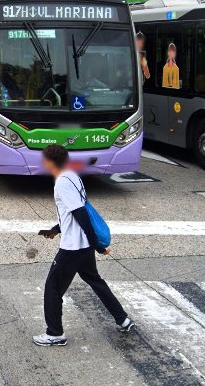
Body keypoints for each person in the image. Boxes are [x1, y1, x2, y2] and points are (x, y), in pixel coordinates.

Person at [33, 144, 134, 346]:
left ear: (50, 162)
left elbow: (81, 214)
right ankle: (123, 319)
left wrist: (97, 245)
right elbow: (72, 213)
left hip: (74, 247)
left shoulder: (62, 182)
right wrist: (56, 229)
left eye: (44, 159)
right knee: (95, 280)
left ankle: (55, 334)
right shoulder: (72, 175)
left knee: (52, 288)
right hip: (82, 244)